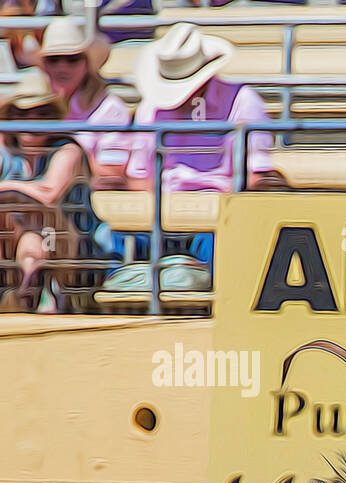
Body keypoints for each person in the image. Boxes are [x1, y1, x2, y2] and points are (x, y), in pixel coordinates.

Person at [0, 70, 113, 311]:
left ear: (54, 117)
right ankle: (30, 285)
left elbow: (49, 194)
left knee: (42, 221)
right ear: (11, 117)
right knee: (25, 231)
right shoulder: (6, 154)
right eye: (23, 113)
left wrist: (7, 188)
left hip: (77, 251)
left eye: (42, 113)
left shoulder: (68, 150)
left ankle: (34, 290)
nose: (33, 121)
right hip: (15, 249)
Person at [125, 23, 274, 195]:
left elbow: (255, 175)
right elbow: (139, 176)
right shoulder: (150, 107)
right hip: (164, 203)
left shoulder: (243, 101)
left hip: (224, 202)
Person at [38, 17, 132, 185]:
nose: (62, 67)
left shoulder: (109, 108)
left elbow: (112, 173)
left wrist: (65, 167)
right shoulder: (33, 105)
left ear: (86, 63)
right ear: (44, 65)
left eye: (72, 59)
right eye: (53, 59)